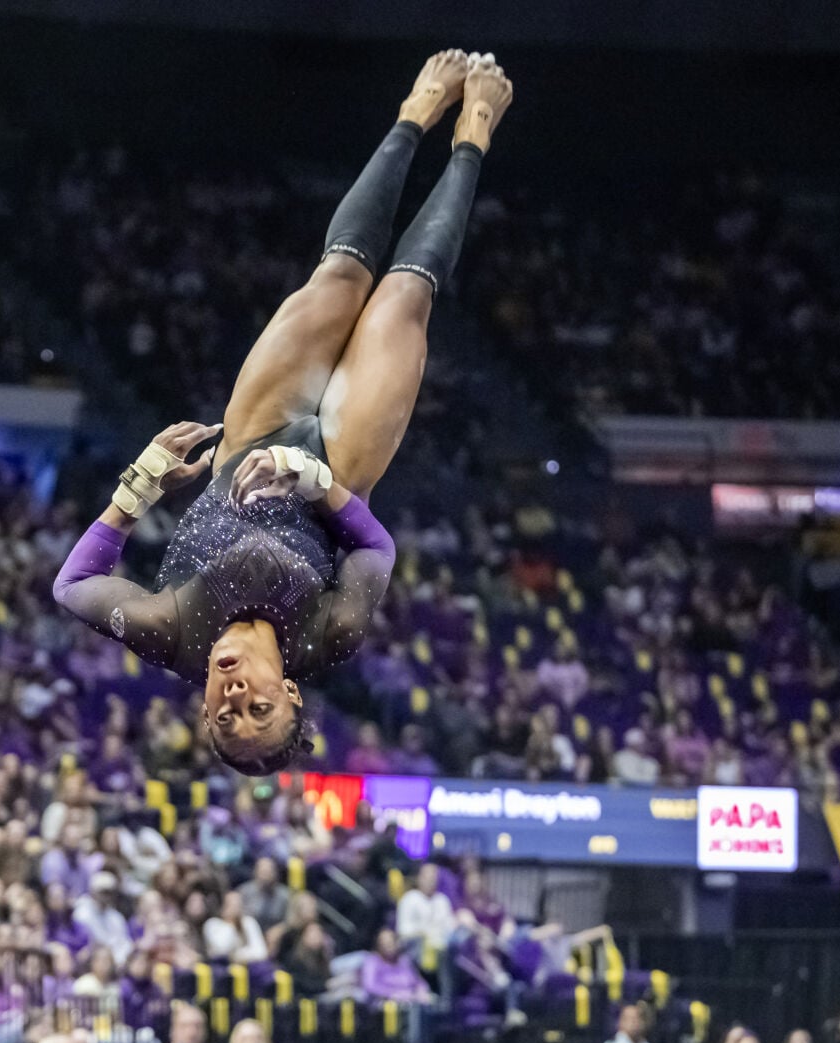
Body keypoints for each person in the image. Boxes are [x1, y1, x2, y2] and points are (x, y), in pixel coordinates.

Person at [53, 51, 513, 776]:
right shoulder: (327, 638)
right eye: (257, 710)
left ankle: (412, 117)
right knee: (402, 300)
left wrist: (136, 488)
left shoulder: (169, 634)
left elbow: (73, 587)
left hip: (249, 439)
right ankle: (474, 133)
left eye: (222, 714)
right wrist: (317, 484)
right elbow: (375, 553)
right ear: (291, 693)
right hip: (340, 464)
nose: (234, 697)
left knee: (337, 277)